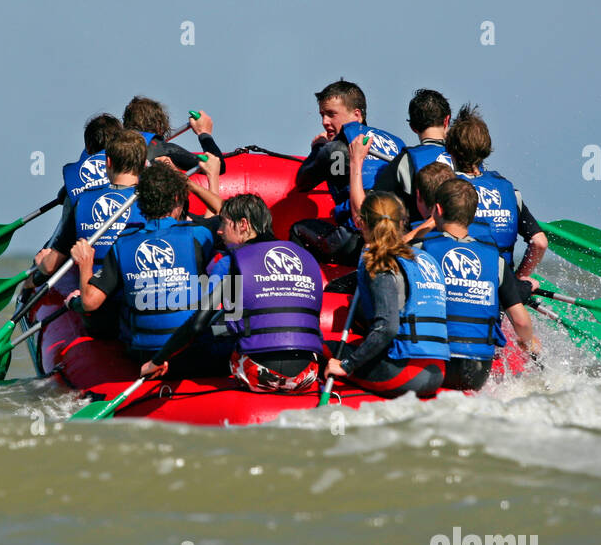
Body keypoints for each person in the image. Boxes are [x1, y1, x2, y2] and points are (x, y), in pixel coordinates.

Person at [141, 194, 325, 393]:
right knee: (230, 323)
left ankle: (158, 371)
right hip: (308, 373)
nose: (219, 230)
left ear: (243, 224)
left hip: (259, 374)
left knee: (210, 335)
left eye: (225, 223)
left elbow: (197, 323)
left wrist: (160, 359)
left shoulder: (231, 262)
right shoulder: (304, 256)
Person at [71, 162, 222, 377]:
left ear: (141, 202)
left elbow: (89, 302)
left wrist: (85, 264)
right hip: (194, 353)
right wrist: (198, 186)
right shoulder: (200, 234)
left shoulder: (122, 243)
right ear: (179, 199)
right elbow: (226, 214)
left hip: (145, 356)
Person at [415, 178, 539, 392]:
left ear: (437, 209)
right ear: (473, 216)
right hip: (477, 372)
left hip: (434, 365)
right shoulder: (495, 260)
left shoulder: (421, 249)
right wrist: (530, 344)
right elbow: (521, 322)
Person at [324, 192, 450, 398]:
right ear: (402, 222)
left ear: (360, 222)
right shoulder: (425, 258)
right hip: (438, 371)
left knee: (324, 348)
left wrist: (347, 365)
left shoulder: (380, 262)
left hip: (405, 375)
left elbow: (387, 328)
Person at [290, 79, 407, 265]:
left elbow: (303, 182)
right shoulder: (397, 143)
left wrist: (318, 149)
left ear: (356, 115)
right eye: (322, 115)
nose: (324, 122)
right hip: (397, 236)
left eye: (331, 114)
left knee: (298, 229)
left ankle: (311, 287)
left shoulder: (335, 148)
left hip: (358, 237)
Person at [444, 105, 548, 279]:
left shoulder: (448, 189)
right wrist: (517, 281)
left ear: (450, 150)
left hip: (464, 283)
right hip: (502, 289)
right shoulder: (510, 191)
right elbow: (540, 243)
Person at [35, 130, 148, 277]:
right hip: (136, 287)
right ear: (144, 164)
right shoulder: (153, 200)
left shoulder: (83, 202)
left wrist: (41, 262)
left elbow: (50, 266)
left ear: (108, 162)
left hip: (94, 287)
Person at [373, 88, 456, 226]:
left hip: (420, 242)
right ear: (447, 120)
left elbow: (375, 203)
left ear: (413, 127)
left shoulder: (405, 160)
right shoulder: (465, 156)